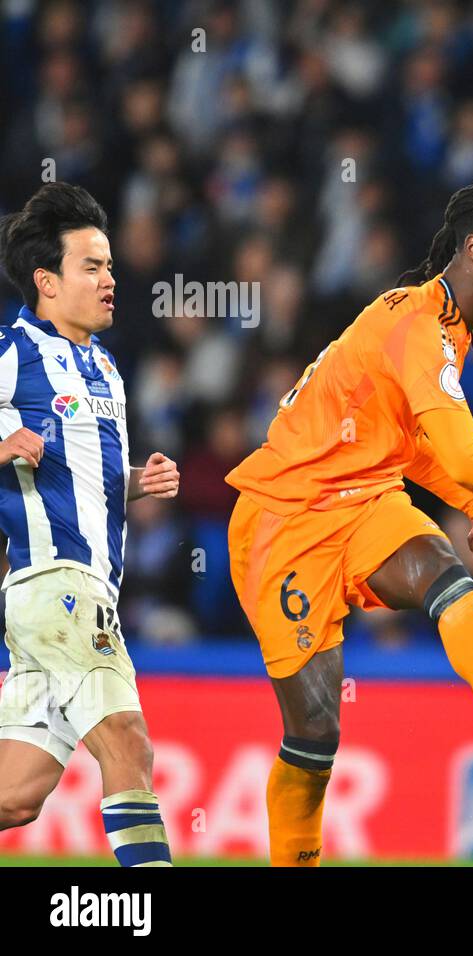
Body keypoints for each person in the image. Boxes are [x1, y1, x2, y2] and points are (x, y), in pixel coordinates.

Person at [225, 179, 473, 866]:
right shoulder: (419, 326)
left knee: (447, 580)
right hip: (285, 517)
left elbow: (413, 443)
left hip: (365, 497)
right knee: (314, 737)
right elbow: (460, 452)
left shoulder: (444, 326)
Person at [0, 183, 180, 866]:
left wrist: (137, 483)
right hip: (54, 585)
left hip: (81, 594)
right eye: (92, 267)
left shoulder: (105, 368)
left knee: (16, 795)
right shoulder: (12, 353)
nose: (110, 281)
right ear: (46, 282)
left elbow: (78, 479)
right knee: (129, 743)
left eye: (109, 266)